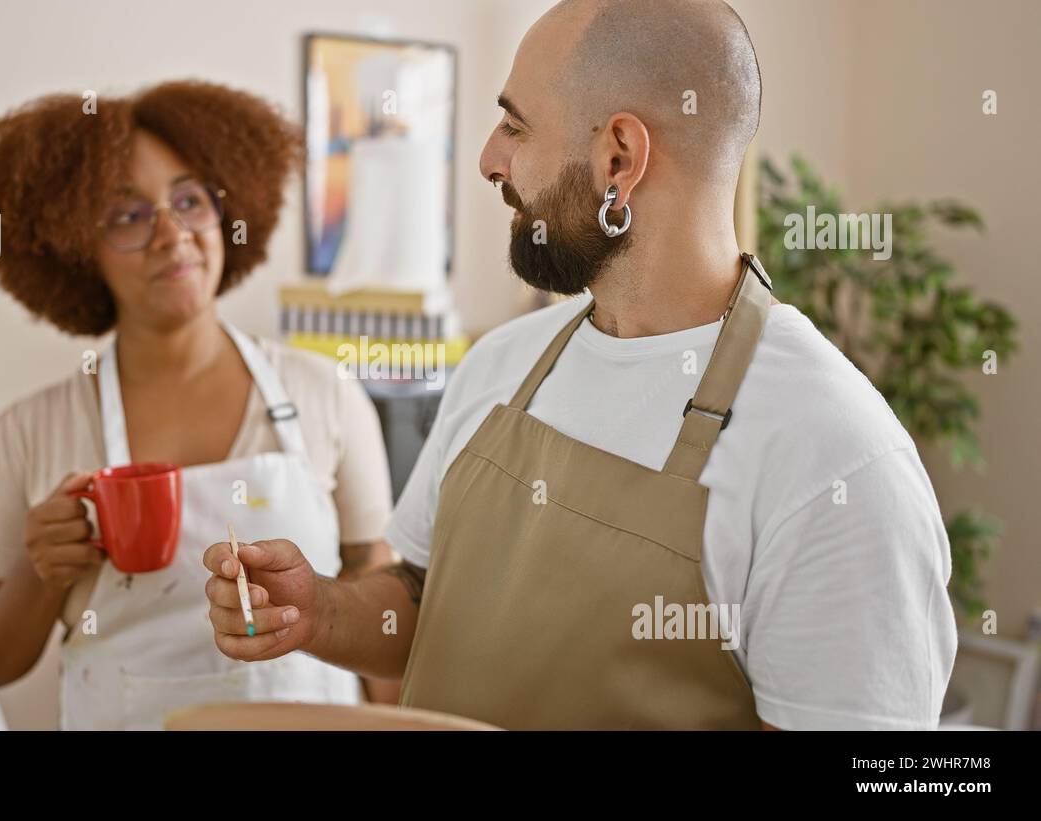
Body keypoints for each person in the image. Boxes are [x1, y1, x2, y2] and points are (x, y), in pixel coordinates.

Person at [201, 0, 956, 730]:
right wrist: (320, 610)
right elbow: (425, 598)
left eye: (515, 125)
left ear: (619, 158)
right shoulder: (504, 363)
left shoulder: (837, 463)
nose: (491, 159)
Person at [0, 80, 394, 729]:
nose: (171, 233)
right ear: (76, 248)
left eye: (189, 200)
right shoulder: (28, 432)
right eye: (127, 214)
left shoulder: (326, 393)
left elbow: (379, 613)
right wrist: (39, 573)